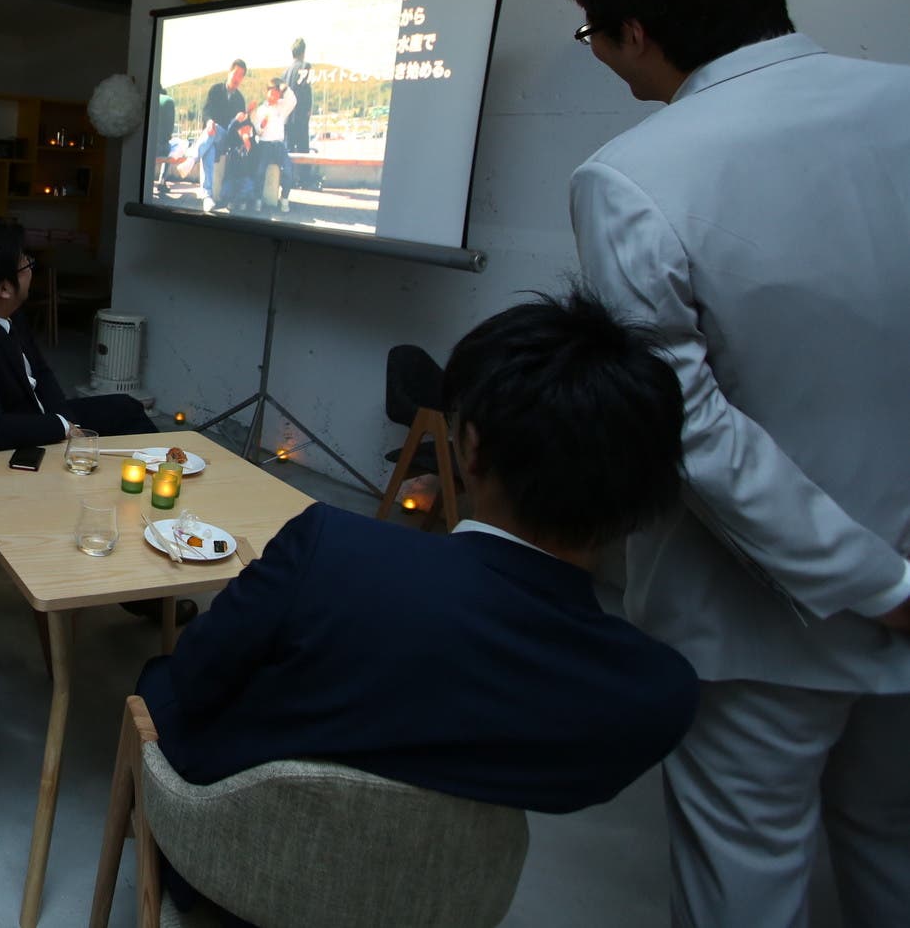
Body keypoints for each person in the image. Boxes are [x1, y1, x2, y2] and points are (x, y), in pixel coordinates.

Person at [565, 0, 910, 928]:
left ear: (636, 32)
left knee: (747, 868)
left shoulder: (633, 174)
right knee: (894, 840)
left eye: (593, 35)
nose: (602, 56)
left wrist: (877, 582)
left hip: (758, 616)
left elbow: (687, 422)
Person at [138, 290, 699, 924]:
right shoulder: (652, 696)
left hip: (234, 860)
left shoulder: (331, 548)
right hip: (438, 902)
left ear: (470, 447)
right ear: (644, 495)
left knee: (157, 680)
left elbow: (196, 676)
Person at [0, 219, 152, 451]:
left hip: (36, 413)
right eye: (24, 264)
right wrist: (60, 427)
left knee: (127, 408)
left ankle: (164, 465)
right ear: (4, 289)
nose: (30, 267)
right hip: (10, 442)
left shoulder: (9, 313)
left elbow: (42, 373)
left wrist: (70, 424)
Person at [195, 59, 249, 213]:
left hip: (226, 140)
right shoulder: (215, 90)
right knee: (209, 149)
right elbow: (206, 111)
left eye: (241, 75)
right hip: (211, 137)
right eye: (236, 73)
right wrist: (209, 121)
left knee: (216, 129)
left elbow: (238, 130)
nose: (237, 78)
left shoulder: (240, 100)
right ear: (229, 72)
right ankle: (207, 196)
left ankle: (192, 158)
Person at [252, 80, 294, 213]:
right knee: (259, 172)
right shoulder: (260, 110)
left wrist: (285, 89)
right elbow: (257, 131)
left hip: (279, 145)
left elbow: (293, 101)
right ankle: (258, 199)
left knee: (288, 171)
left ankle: (284, 198)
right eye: (272, 93)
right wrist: (261, 126)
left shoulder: (282, 106)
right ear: (267, 93)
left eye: (277, 93)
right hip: (264, 144)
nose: (274, 96)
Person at [281, 38, 318, 190]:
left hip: (288, 117)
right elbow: (306, 90)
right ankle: (304, 180)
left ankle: (289, 181)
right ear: (303, 51)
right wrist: (308, 109)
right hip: (300, 116)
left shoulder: (285, 73)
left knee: (289, 150)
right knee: (303, 149)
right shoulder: (305, 67)